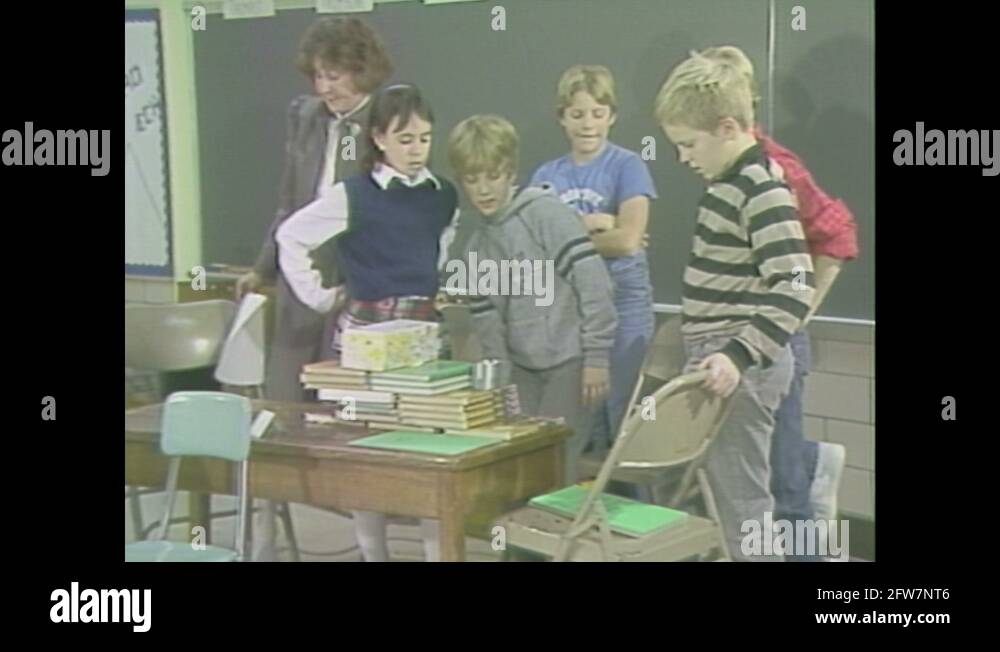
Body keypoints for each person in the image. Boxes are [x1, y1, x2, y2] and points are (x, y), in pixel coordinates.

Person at [277, 84, 459, 562]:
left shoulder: (442, 195)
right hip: (366, 336)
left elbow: (442, 246)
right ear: (378, 138)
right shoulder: (354, 194)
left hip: (422, 334)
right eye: (405, 139)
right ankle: (372, 554)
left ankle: (436, 554)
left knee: (426, 449)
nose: (416, 149)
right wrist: (319, 297)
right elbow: (291, 237)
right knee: (367, 450)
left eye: (424, 138)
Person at [654, 51, 815, 561]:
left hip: (735, 364)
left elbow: (792, 284)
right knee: (710, 494)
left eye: (687, 144)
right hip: (715, 357)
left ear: (726, 127)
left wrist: (736, 356)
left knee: (743, 501)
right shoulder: (728, 183)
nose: (683, 157)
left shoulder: (760, 188)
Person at [702, 46, 859, 559]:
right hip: (744, 341)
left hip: (773, 341)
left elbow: (839, 235)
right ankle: (814, 462)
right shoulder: (724, 172)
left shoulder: (775, 169)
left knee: (784, 489)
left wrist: (798, 314)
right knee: (763, 468)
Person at [447, 114, 616, 484]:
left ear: (510, 172)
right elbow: (488, 323)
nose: (483, 190)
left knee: (554, 464)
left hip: (570, 362)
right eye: (472, 180)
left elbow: (594, 285)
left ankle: (557, 540)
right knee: (518, 465)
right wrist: (502, 384)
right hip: (523, 370)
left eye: (492, 176)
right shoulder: (477, 244)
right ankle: (517, 542)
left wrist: (597, 358)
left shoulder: (546, 214)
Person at [530, 65, 658, 459]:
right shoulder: (547, 174)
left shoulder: (628, 165)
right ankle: (585, 503)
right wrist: (594, 223)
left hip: (624, 302)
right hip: (572, 309)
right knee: (582, 414)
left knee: (623, 407)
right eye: (578, 114)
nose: (588, 124)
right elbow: (533, 246)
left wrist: (572, 234)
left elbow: (628, 240)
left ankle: (636, 503)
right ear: (562, 118)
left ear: (612, 116)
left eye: (598, 113)